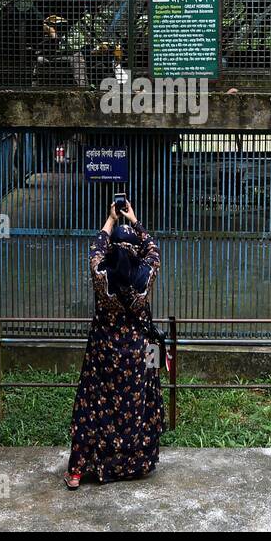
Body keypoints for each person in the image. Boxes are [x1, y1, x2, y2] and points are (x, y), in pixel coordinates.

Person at [66, 200, 164, 488]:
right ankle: (133, 465)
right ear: (136, 251)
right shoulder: (146, 274)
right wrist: (134, 220)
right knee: (141, 403)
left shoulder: (101, 274)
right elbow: (153, 249)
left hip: (104, 353)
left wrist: (111, 220)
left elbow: (95, 249)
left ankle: (77, 472)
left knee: (94, 407)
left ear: (111, 249)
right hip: (142, 352)